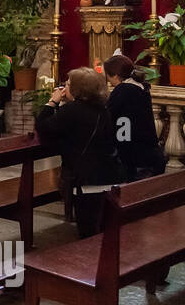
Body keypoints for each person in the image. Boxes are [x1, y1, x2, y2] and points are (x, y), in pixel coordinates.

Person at [35, 67, 127, 237]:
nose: (64, 88)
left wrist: (52, 102)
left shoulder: (72, 110)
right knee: (105, 232)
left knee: (88, 232)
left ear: (78, 89)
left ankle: (88, 261)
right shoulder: (103, 109)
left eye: (68, 84)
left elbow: (43, 126)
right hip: (110, 176)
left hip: (87, 180)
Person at [103, 54, 166, 180]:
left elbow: (107, 116)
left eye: (107, 76)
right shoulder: (140, 87)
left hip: (137, 158)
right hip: (149, 155)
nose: (108, 80)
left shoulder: (123, 90)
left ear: (115, 75)